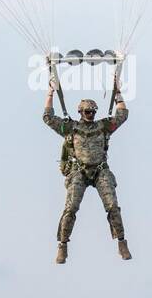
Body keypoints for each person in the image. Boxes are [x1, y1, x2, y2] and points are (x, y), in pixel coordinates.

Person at [43, 84, 131, 264]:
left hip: (100, 170)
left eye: (93, 112)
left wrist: (118, 93)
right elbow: (48, 117)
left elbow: (122, 115)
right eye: (88, 112)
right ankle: (63, 245)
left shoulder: (104, 127)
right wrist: (50, 93)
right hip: (79, 171)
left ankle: (122, 242)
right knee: (70, 208)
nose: (91, 115)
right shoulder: (70, 128)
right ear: (81, 112)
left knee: (113, 206)